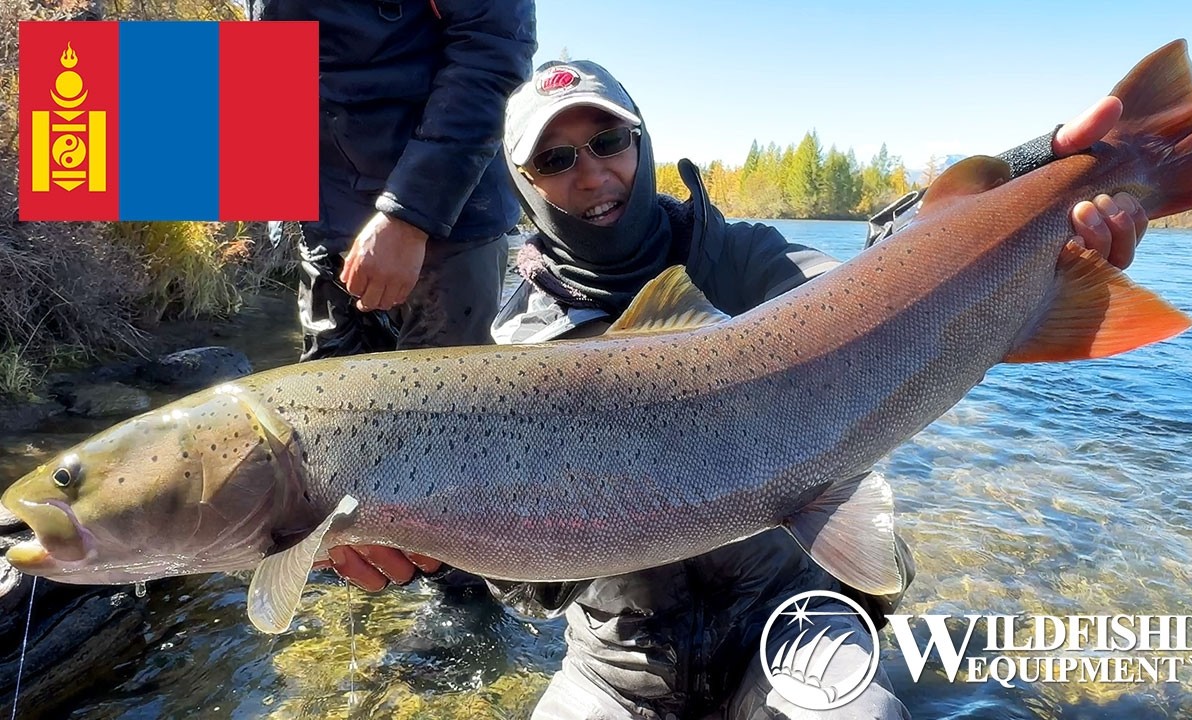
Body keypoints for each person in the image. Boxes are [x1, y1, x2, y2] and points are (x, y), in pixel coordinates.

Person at [331, 60, 1149, 719]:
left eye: (607, 139)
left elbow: (878, 291)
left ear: (641, 142)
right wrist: (432, 544)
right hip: (623, 667)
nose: (591, 171)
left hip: (790, 617)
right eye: (555, 159)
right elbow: (539, 586)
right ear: (527, 187)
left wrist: (1033, 175)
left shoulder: (744, 255)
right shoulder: (512, 346)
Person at [247, 1, 535, 582]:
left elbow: (492, 50)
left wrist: (409, 214)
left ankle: (457, 599)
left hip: (443, 227)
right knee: (326, 447)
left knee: (445, 444)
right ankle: (350, 593)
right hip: (322, 219)